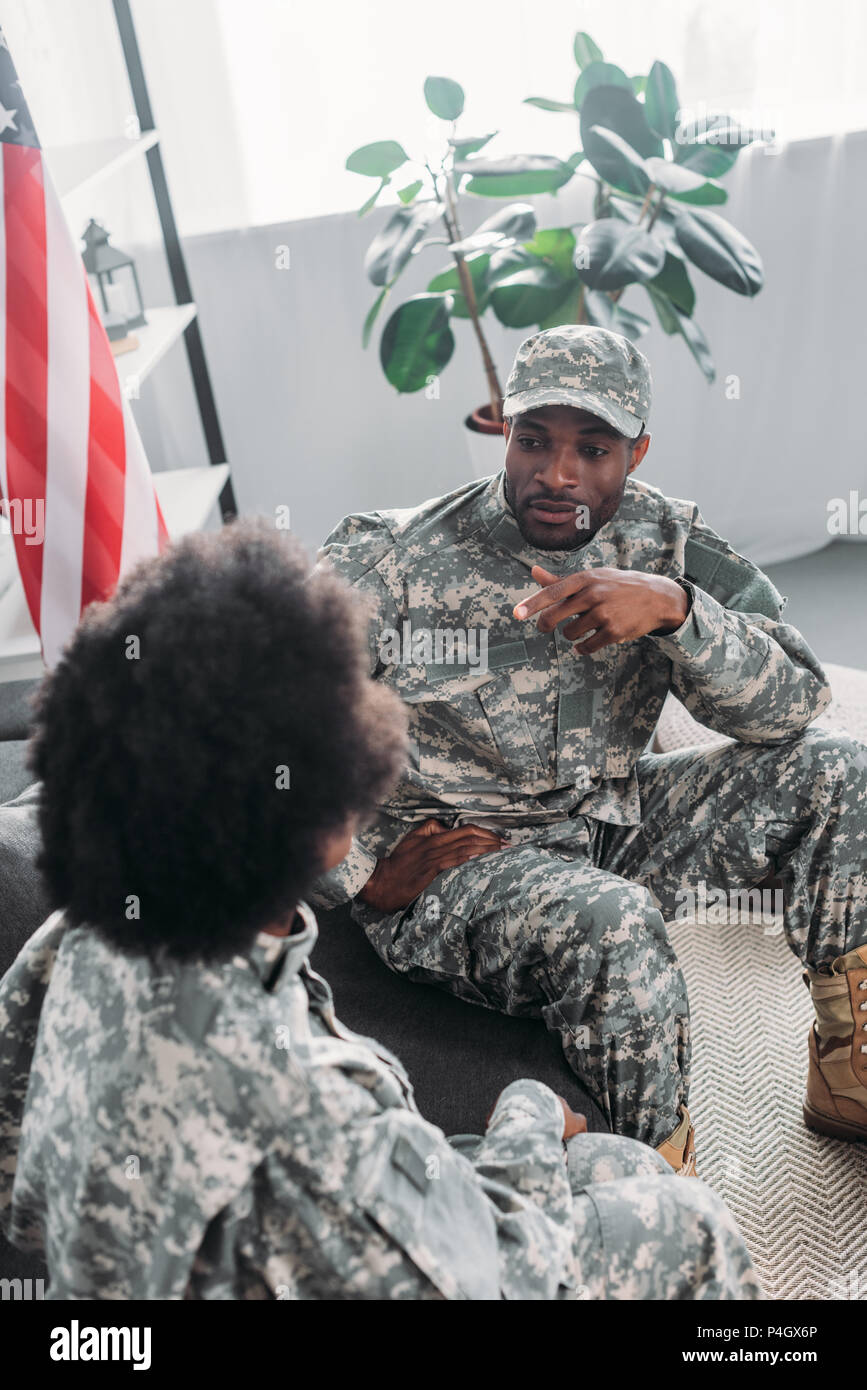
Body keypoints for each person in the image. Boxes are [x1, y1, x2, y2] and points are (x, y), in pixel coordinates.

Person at [0, 520, 760, 1300]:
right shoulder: (313, 1102)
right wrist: (528, 1117)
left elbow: (19, 1194)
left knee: (620, 1163)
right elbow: (498, 1275)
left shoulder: (79, 941)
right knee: (683, 1217)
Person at [315, 325, 867, 1173]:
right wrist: (363, 878)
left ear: (635, 452)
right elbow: (270, 726)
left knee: (840, 772)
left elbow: (792, 701)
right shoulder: (390, 559)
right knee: (616, 923)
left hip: (605, 820)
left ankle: (847, 1067)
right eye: (532, 439)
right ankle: (650, 1182)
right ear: (505, 430)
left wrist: (678, 612)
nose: (557, 472)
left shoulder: (666, 544)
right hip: (463, 862)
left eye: (593, 447)